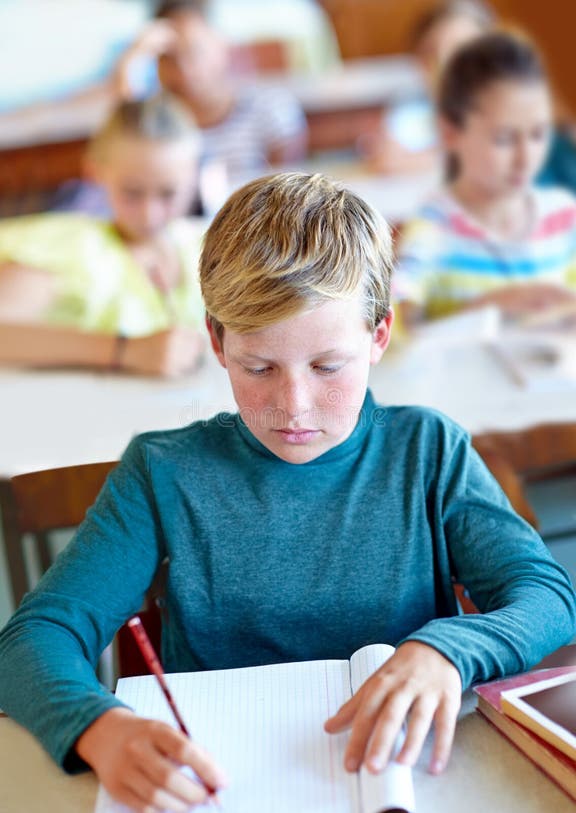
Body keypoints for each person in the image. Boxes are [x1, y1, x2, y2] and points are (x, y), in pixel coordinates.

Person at [0, 172, 574, 812]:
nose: (294, 407)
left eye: (328, 366)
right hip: (222, 784)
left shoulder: (428, 451)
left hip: (413, 775)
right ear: (218, 341)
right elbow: (31, 639)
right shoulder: (162, 472)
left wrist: (450, 651)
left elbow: (547, 595)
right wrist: (96, 727)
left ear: (379, 335)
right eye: (259, 368)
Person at [0, 93, 205, 377]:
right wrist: (126, 351)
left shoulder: (204, 246)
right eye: (132, 193)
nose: (150, 214)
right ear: (96, 172)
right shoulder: (72, 246)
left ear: (194, 175)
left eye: (168, 193)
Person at [393, 31, 576, 324]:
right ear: (450, 133)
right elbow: (394, 329)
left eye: (538, 134)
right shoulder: (433, 228)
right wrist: (490, 308)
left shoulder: (564, 217)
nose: (525, 157)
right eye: (504, 139)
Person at [365, 0, 494, 175]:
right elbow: (387, 160)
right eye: (431, 52)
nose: (443, 64)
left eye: (459, 51)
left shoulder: (505, 111)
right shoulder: (410, 113)